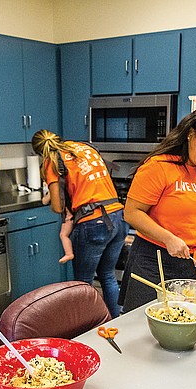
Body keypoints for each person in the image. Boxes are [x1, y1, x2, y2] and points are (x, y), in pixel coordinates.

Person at [118, 106, 196, 313]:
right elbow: (132, 213)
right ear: (190, 133)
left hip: (187, 264)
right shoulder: (159, 166)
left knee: (184, 322)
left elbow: (195, 211)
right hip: (152, 262)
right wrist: (168, 238)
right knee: (143, 325)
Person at [31, 130, 126, 317]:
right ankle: (115, 323)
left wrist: (54, 199)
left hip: (94, 223)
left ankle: (87, 327)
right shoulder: (82, 147)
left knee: (82, 283)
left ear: (40, 152)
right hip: (118, 216)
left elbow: (57, 207)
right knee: (108, 276)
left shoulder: (52, 159)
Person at [41, 187, 74, 263]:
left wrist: (49, 192)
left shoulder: (55, 186)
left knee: (63, 235)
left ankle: (69, 253)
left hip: (69, 217)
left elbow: (44, 201)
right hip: (79, 213)